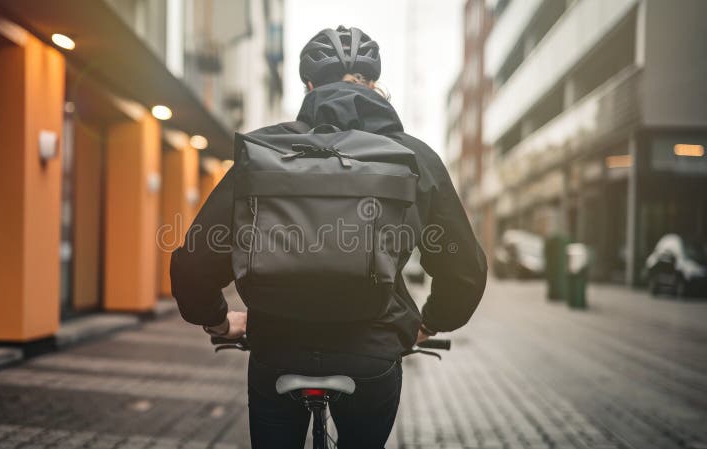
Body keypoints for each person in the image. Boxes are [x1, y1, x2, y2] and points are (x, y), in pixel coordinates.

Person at [170, 25, 487, 448]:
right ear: (374, 84)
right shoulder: (415, 157)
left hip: (278, 349)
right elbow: (465, 269)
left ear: (308, 85)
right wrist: (430, 323)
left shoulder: (263, 152)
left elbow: (194, 262)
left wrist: (217, 319)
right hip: (372, 351)